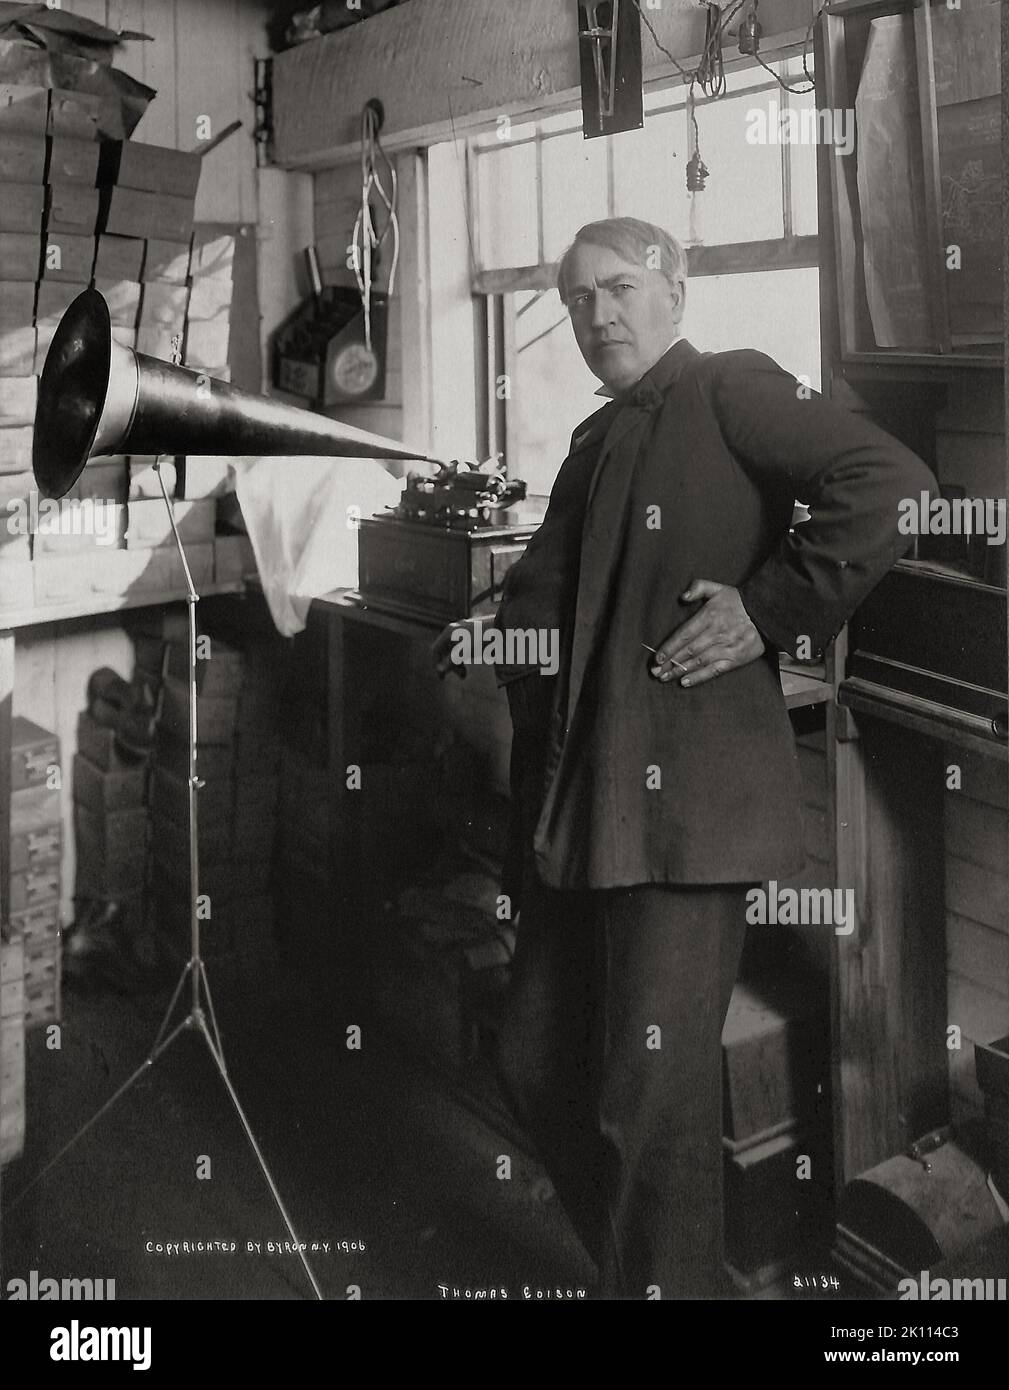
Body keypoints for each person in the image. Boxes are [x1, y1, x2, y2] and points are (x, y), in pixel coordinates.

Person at [434, 217, 935, 1299]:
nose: (596, 314)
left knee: (644, 1108)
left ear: (676, 289)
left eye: (618, 287)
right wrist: (499, 632)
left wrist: (767, 610)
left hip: (679, 818)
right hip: (579, 807)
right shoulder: (595, 439)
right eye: (575, 299)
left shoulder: (728, 388)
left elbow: (891, 481)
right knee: (529, 1056)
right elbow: (572, 606)